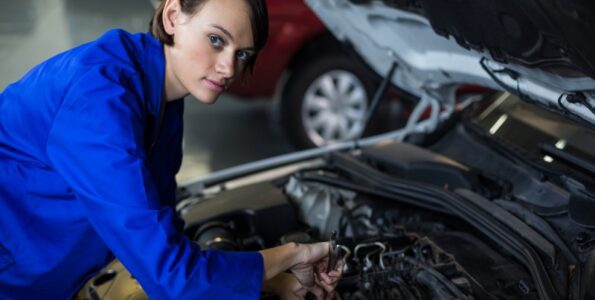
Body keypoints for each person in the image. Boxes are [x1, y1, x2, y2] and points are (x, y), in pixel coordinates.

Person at [0, 0, 341, 298]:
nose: (228, 68)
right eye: (216, 40)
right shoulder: (97, 99)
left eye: (242, 54)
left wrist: (274, 282)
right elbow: (173, 277)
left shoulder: (161, 98)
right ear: (173, 16)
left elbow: (164, 241)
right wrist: (290, 255)